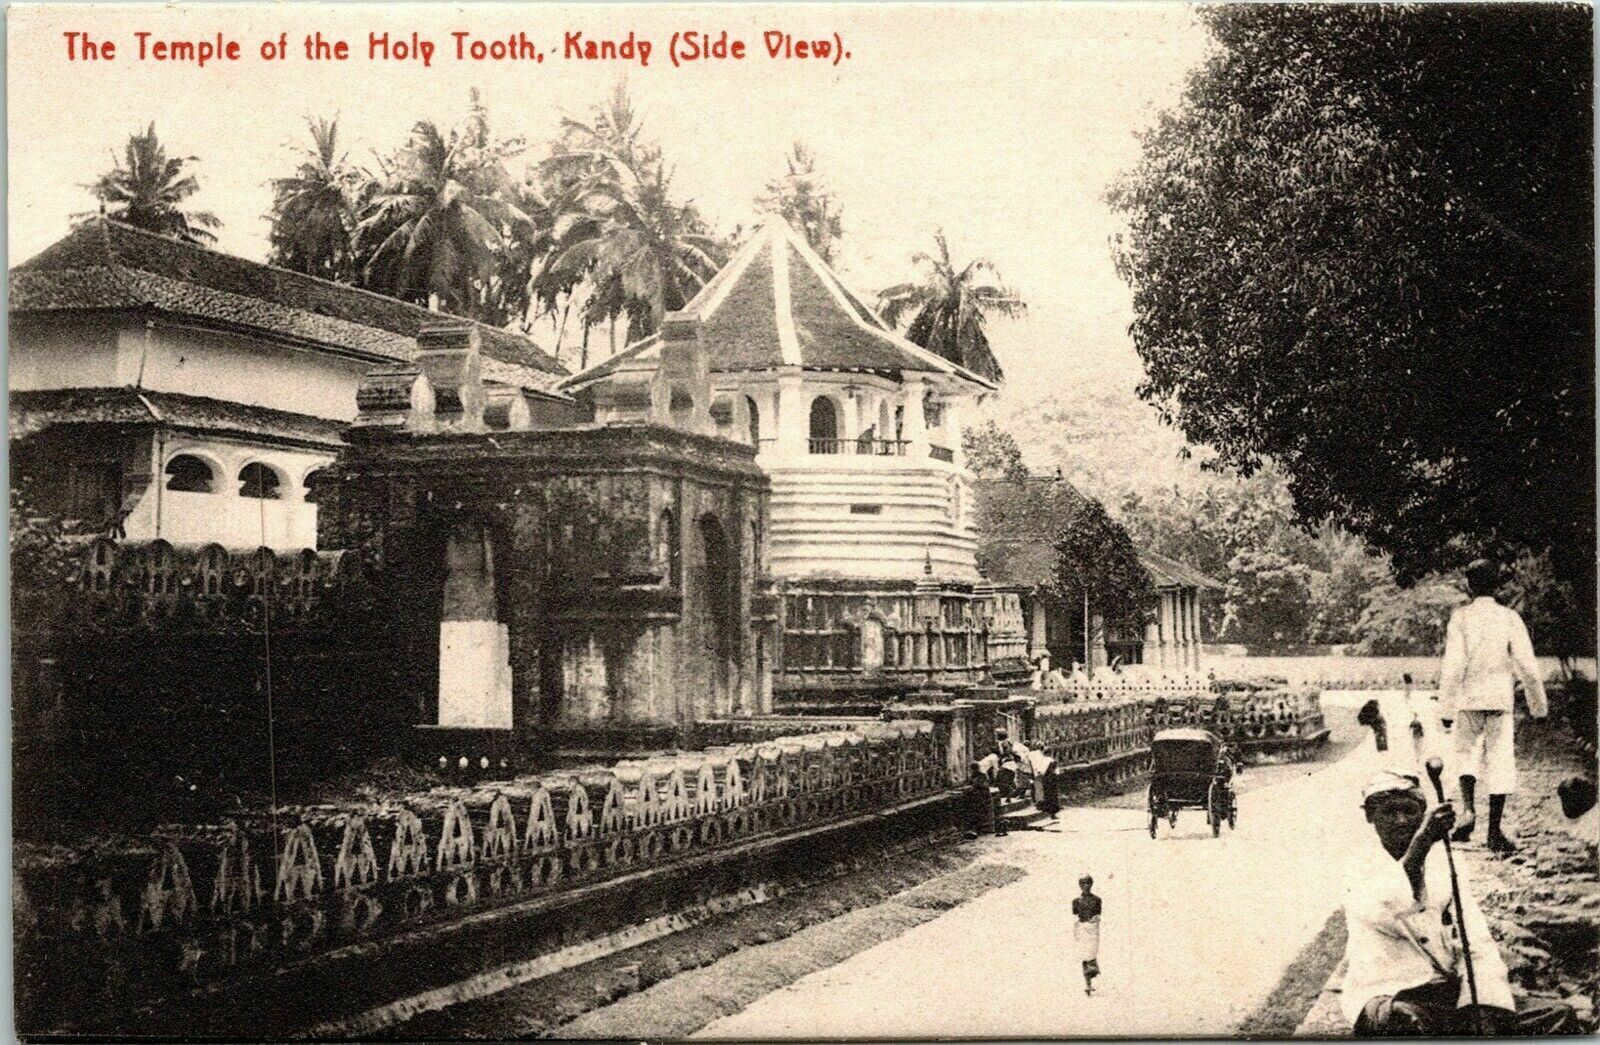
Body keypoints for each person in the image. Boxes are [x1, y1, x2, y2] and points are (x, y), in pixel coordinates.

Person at [1342, 771, 1577, 1037]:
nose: (1401, 820)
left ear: (1422, 814)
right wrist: (1421, 842)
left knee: (1557, 1015)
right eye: (1389, 812)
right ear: (1369, 816)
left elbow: (1475, 939)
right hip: (1390, 993)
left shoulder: (1447, 862)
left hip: (1446, 994)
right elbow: (1388, 904)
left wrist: (1483, 1003)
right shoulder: (1357, 865)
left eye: (1410, 811)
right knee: (1409, 1022)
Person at [1438, 559, 1549, 854]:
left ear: (1470, 585)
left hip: (1468, 699)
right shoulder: (1509, 618)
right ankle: (1493, 830)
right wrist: (1539, 708)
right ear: (1498, 584)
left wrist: (1446, 710)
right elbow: (1528, 666)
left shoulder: (1461, 618)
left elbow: (1452, 667)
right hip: (1500, 699)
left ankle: (1469, 812)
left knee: (1465, 756)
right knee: (1500, 761)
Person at [1072, 875, 1102, 995]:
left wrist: (1092, 922)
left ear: (1092, 884)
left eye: (1088, 883)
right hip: (1082, 930)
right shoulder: (1076, 901)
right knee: (1084, 955)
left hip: (1093, 930)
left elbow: (1098, 915)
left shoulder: (1097, 900)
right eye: (1083, 883)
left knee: (1091, 953)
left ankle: (1091, 975)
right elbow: (1075, 915)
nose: (1086, 886)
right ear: (1080, 885)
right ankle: (1088, 984)